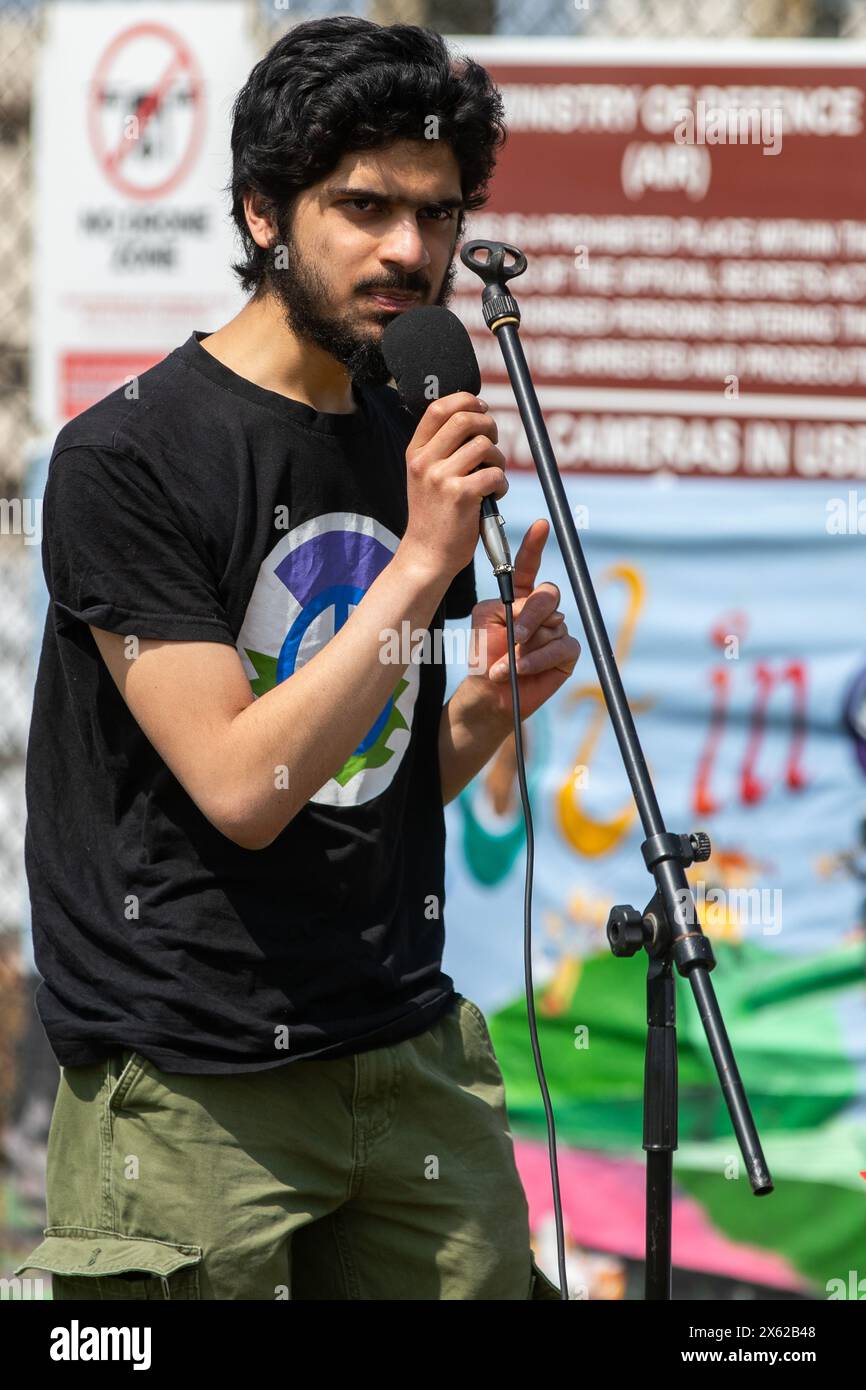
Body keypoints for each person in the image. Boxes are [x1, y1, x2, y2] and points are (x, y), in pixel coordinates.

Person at [15, 17, 579, 1300]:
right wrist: (421, 563)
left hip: (401, 1046)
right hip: (192, 1084)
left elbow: (351, 790)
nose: (408, 251)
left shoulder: (405, 429)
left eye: (435, 215)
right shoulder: (129, 460)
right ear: (263, 213)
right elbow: (237, 787)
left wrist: (481, 711)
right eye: (362, 206)